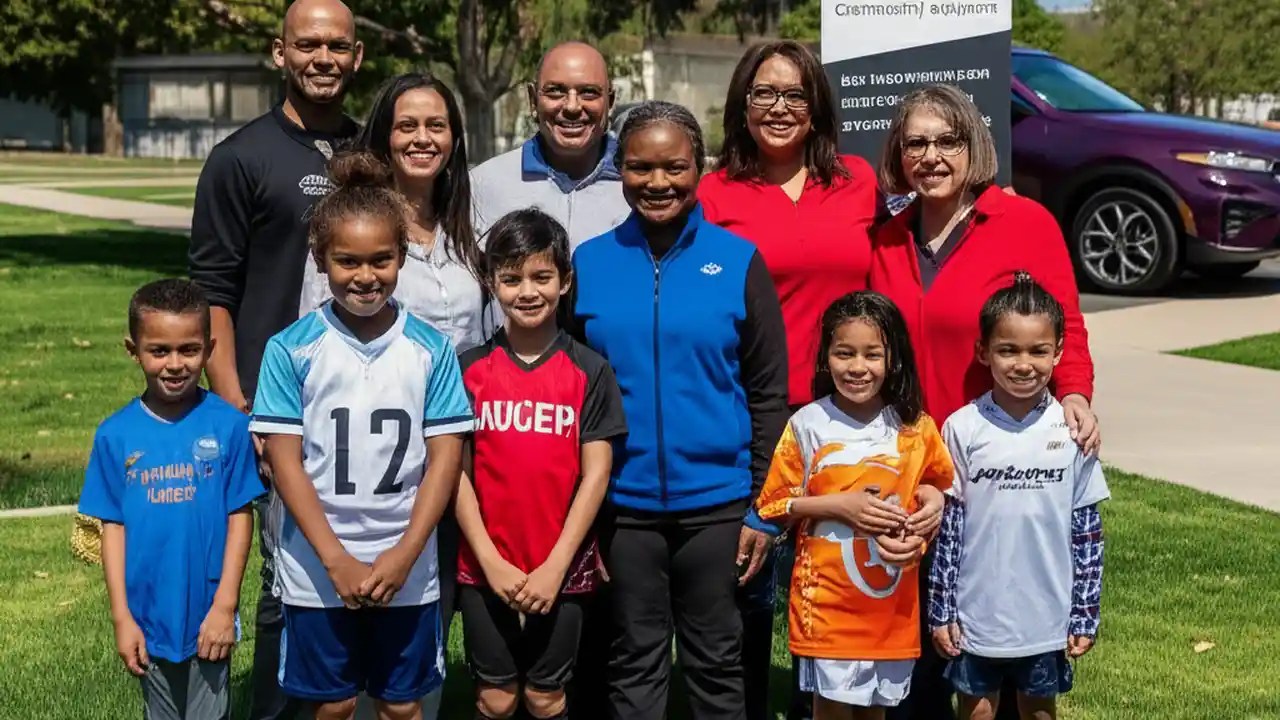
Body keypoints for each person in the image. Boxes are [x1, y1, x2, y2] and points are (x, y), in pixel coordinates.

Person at [869, 84, 1100, 720]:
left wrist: (1075, 393)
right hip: (906, 460)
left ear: (975, 147)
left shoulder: (1024, 223)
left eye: (948, 141)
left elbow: (1067, 324)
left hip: (995, 462)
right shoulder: (886, 236)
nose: (931, 156)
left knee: (996, 638)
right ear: (898, 152)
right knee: (916, 630)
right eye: (915, 142)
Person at [572, 100, 790, 720]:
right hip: (623, 510)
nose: (658, 182)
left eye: (675, 166)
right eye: (641, 167)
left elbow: (768, 392)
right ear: (620, 169)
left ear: (701, 167)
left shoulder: (739, 261)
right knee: (634, 663)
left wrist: (761, 508)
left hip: (719, 510)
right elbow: (572, 391)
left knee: (718, 667)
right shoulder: (588, 263)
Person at [249, 151, 473, 720]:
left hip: (408, 562)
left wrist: (405, 553)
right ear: (320, 259)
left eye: (381, 260)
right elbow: (285, 461)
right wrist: (334, 560)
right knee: (335, 705)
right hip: (316, 568)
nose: (365, 276)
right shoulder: (291, 349)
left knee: (402, 706)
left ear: (402, 257)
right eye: (348, 261)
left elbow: (446, 457)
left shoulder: (431, 348)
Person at [188, 1, 363, 716]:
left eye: (337, 46)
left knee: (359, 573)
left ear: (356, 57)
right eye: (308, 44)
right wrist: (238, 407)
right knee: (281, 583)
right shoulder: (241, 158)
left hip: (361, 404)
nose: (322, 58)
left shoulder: (373, 148)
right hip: (274, 407)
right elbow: (212, 295)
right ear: (278, 52)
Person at [697, 40, 881, 719]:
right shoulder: (713, 193)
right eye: (764, 94)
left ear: (818, 108)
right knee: (749, 582)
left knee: (833, 583)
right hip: (752, 416)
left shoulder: (859, 181)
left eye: (795, 95)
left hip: (845, 419)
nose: (779, 108)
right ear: (741, 105)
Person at [455, 209, 627, 720]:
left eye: (541, 277)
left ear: (565, 280)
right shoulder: (469, 370)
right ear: (491, 282)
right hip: (485, 563)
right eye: (510, 278)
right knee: (497, 697)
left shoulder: (590, 370)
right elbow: (456, 476)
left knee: (546, 698)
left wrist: (556, 566)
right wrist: (488, 559)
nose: (526, 291)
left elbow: (596, 475)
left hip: (563, 564)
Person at [749, 291, 951, 720]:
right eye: (845, 353)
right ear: (826, 356)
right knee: (833, 710)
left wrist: (932, 504)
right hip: (827, 604)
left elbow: (936, 479)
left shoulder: (915, 426)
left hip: (891, 608)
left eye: (871, 354)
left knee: (874, 712)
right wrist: (839, 506)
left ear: (892, 357)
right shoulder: (808, 424)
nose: (858, 367)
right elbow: (775, 506)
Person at [77, 279, 264, 720]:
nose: (175, 364)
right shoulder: (114, 435)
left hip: (208, 615)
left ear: (209, 347)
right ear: (133, 349)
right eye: (159, 350)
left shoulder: (229, 426)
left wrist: (225, 605)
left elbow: (240, 516)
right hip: (147, 616)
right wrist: (123, 618)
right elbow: (112, 527)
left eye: (189, 350)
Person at [929, 273, 1109, 720]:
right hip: (977, 615)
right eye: (1008, 350)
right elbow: (949, 531)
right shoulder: (962, 428)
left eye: (1038, 351)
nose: (1023, 363)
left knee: (1039, 711)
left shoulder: (1073, 432)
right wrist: (941, 609)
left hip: (1045, 617)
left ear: (1058, 353)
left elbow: (1087, 534)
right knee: (977, 711)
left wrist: (1084, 613)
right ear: (983, 352)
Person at [300, 71, 494, 354]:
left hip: (465, 395)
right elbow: (311, 336)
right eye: (407, 126)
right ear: (385, 136)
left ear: (454, 138)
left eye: (436, 126)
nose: (423, 138)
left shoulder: (472, 228)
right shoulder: (347, 226)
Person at [471, 41, 631, 249]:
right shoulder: (484, 185)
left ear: (610, 102)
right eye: (556, 91)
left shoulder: (639, 185)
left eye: (589, 92)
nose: (572, 107)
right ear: (532, 100)